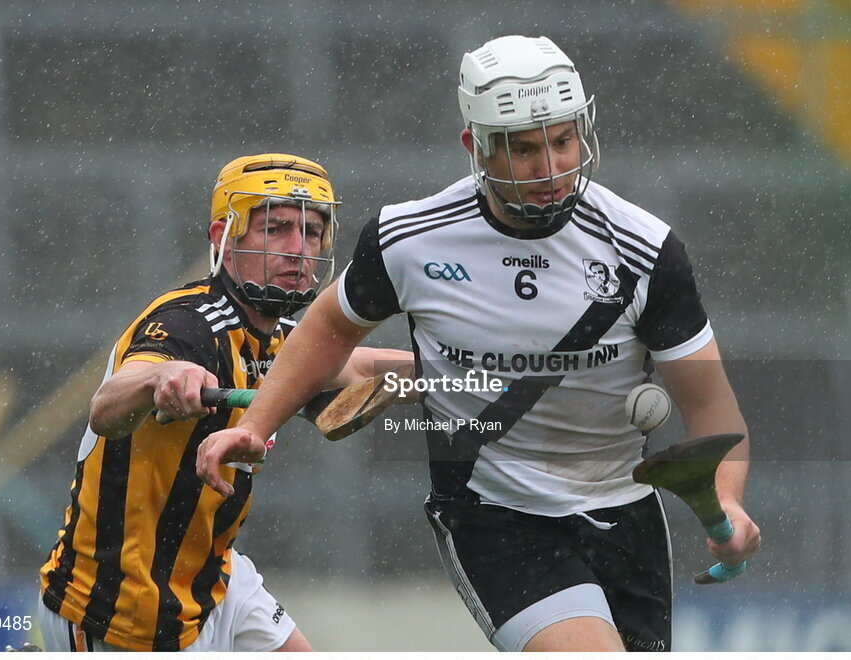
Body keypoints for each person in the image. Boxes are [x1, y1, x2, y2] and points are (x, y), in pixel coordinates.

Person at [195, 36, 762, 652]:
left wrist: (727, 501)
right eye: (522, 149)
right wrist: (256, 424)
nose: (548, 168)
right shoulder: (408, 240)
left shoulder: (645, 250)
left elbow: (712, 411)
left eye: (563, 139)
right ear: (476, 146)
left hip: (626, 516)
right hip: (495, 518)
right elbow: (328, 329)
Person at [37, 153, 411, 652]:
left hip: (214, 576)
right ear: (222, 238)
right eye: (276, 229)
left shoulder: (279, 336)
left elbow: (359, 366)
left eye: (312, 232)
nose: (298, 250)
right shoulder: (187, 325)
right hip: (121, 603)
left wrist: (471, 367)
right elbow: (105, 408)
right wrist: (162, 378)